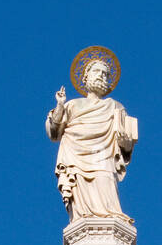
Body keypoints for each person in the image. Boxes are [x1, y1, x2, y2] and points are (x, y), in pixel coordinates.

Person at [46, 58, 138, 221]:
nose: (101, 76)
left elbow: (126, 144)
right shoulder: (72, 105)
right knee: (81, 203)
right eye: (97, 71)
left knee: (105, 187)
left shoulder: (116, 107)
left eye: (105, 74)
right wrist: (60, 105)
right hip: (75, 158)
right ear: (86, 76)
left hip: (103, 156)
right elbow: (54, 132)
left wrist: (126, 142)